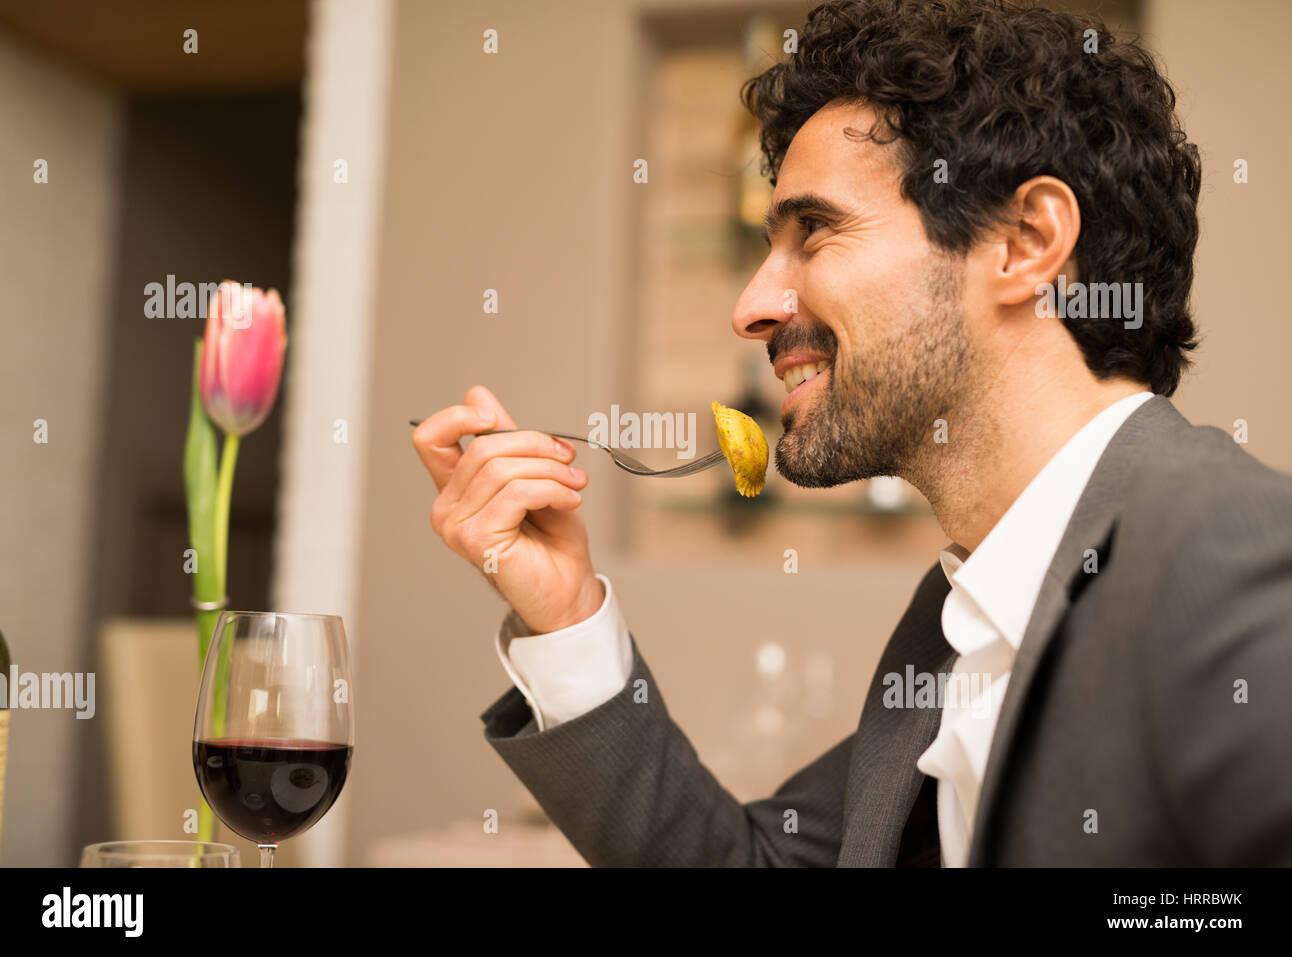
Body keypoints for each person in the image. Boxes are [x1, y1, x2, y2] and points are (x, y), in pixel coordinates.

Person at [412, 0, 1292, 865]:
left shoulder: (1231, 554)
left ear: (1027, 242)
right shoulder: (951, 625)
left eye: (815, 231)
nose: (751, 308)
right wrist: (564, 612)